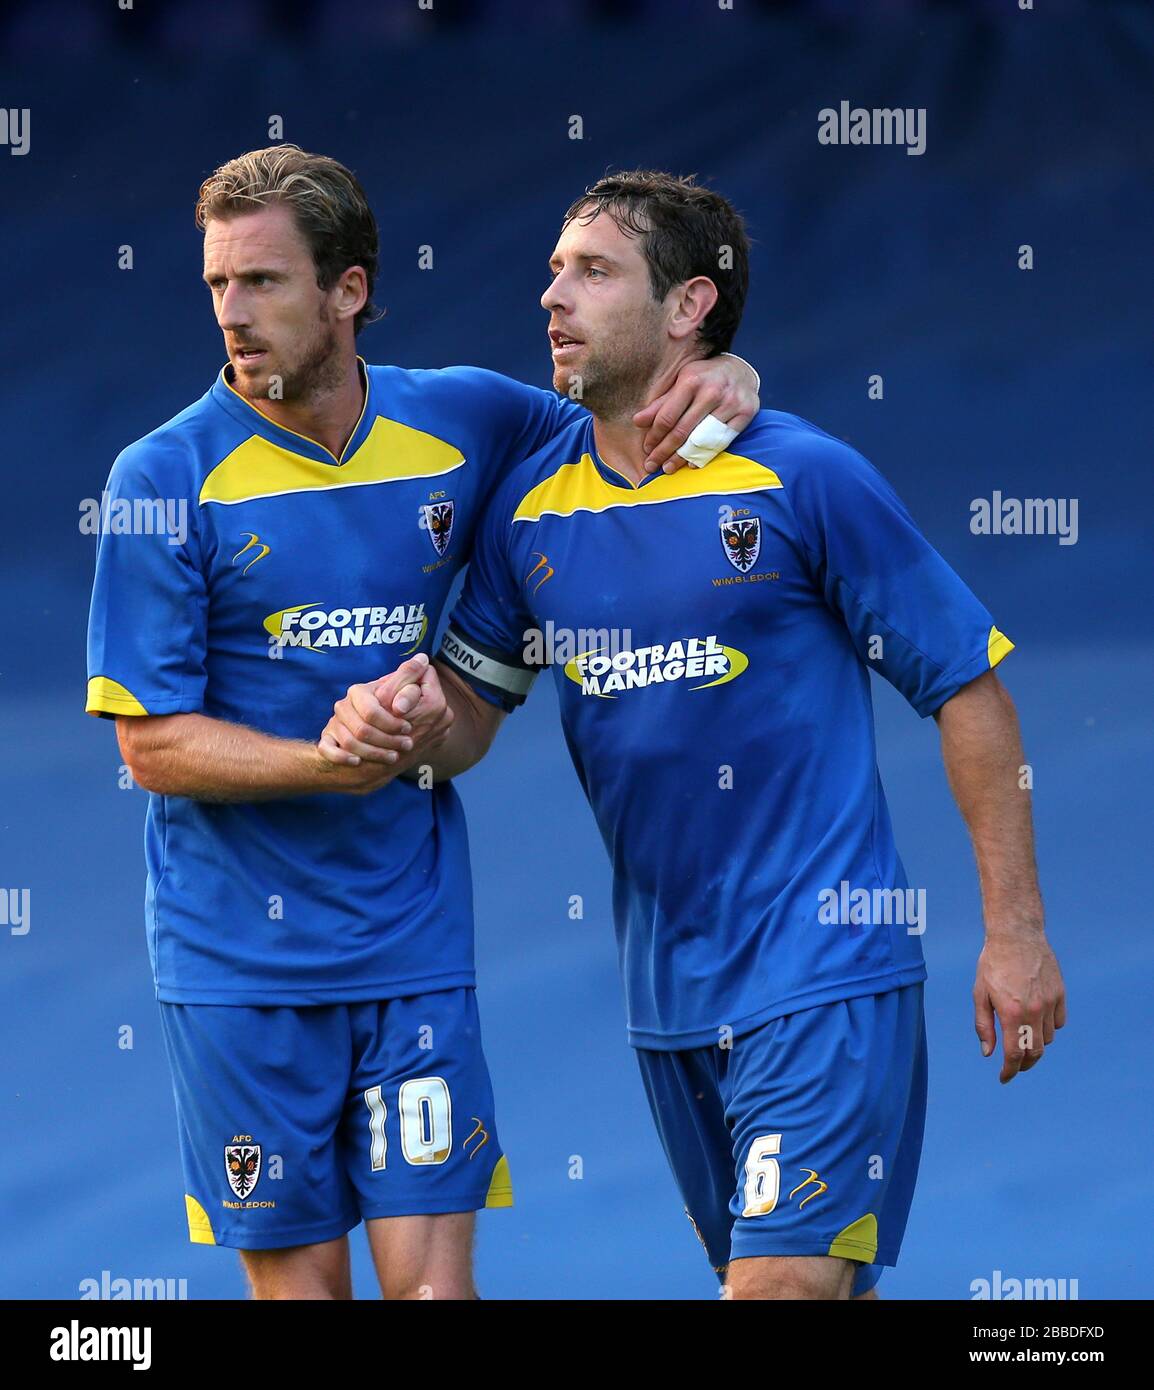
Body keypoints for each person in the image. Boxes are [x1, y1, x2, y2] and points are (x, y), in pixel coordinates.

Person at [323, 170, 1067, 1301]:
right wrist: (413, 722)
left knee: (774, 1289)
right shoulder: (529, 507)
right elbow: (472, 713)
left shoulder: (800, 475)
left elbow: (968, 689)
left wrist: (1014, 934)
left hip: (822, 967)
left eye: (591, 270)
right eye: (552, 269)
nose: (551, 295)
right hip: (667, 998)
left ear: (688, 308)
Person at [85, 146, 760, 1301]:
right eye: (218, 286)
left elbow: (622, 421)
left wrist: (727, 374)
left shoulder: (463, 418)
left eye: (265, 283)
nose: (233, 317)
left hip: (411, 946)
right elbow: (148, 743)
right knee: (304, 1292)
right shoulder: (161, 477)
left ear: (347, 289)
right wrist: (328, 760)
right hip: (239, 963)